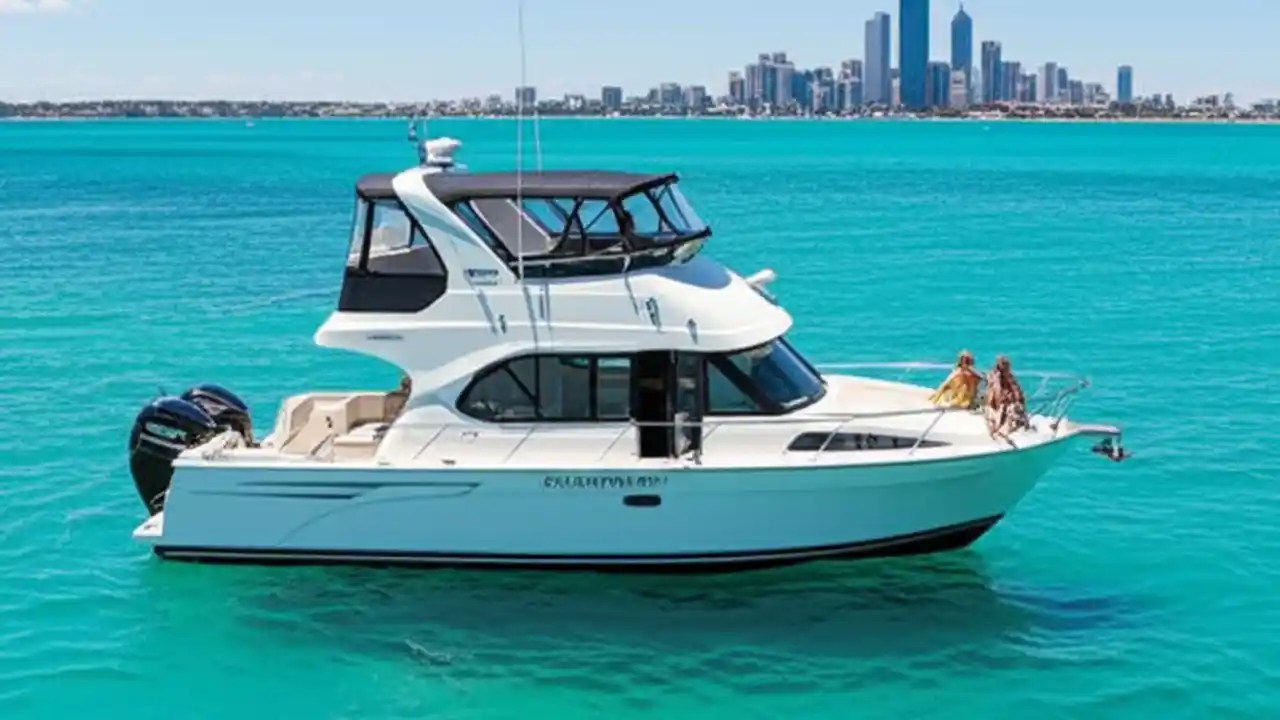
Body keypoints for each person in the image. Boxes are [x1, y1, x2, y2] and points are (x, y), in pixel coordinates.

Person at [984, 355, 1028, 440]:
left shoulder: (1006, 376)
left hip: (1001, 403)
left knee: (1013, 409)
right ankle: (1001, 431)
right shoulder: (996, 376)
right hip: (998, 404)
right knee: (1007, 411)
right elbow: (998, 392)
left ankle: (1002, 430)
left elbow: (1016, 390)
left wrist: (1017, 399)